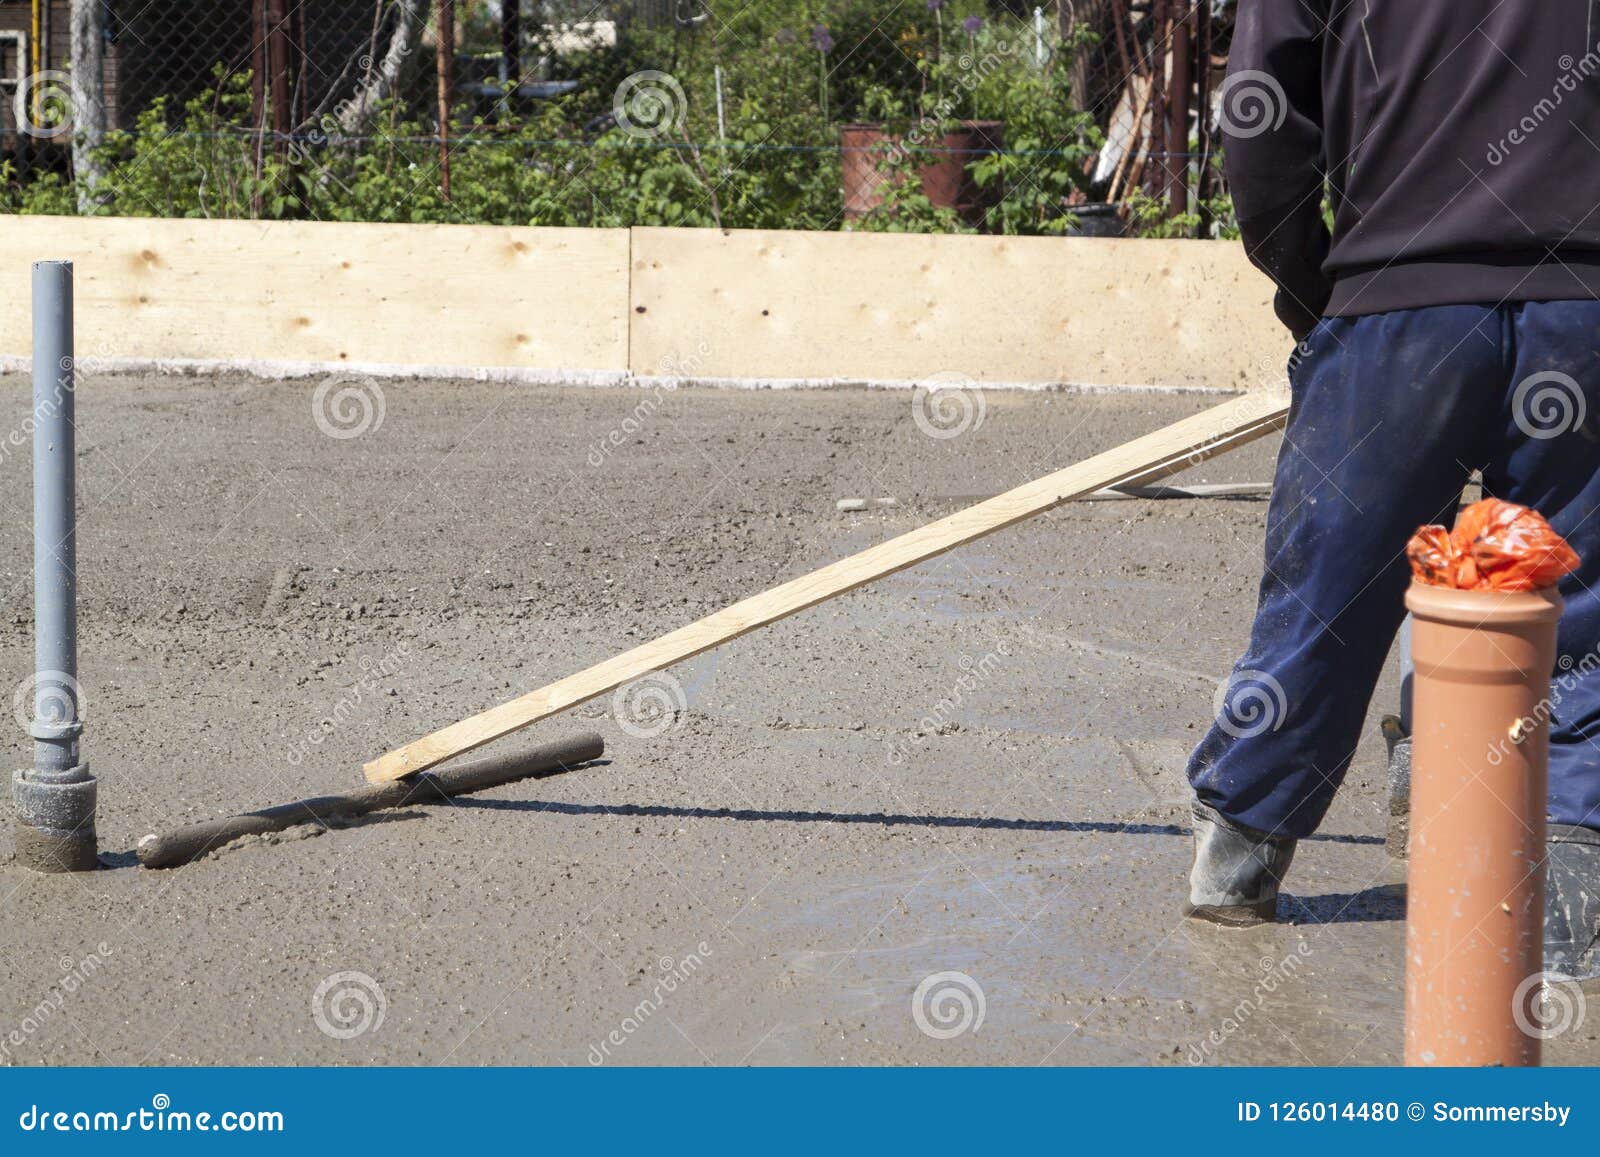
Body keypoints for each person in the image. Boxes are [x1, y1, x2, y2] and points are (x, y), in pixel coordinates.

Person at [1186, 0, 1600, 980]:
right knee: (1574, 607)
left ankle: (1241, 847)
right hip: (1583, 309)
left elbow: (1259, 119)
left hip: (1397, 299)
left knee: (1326, 585)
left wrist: (1314, 293)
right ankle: (1572, 879)